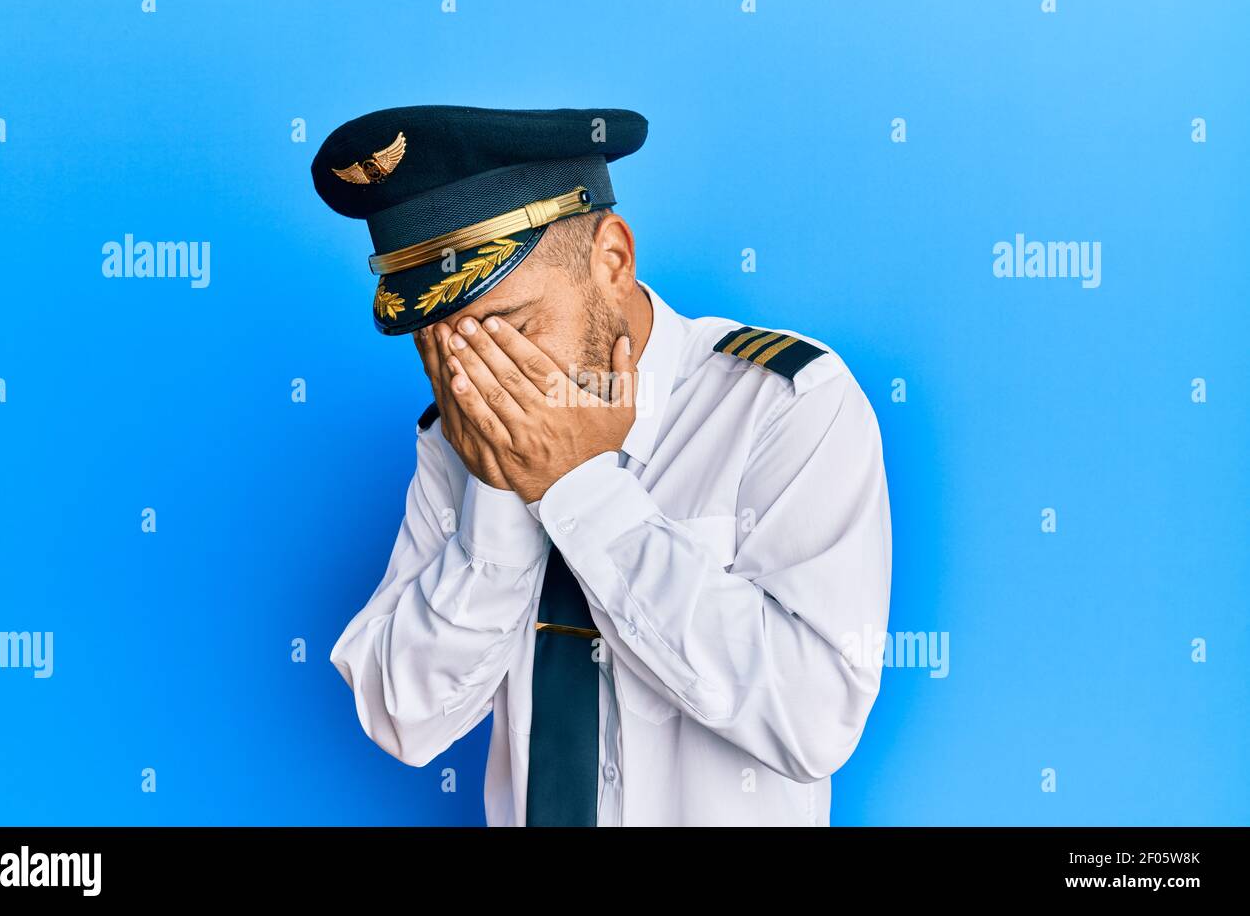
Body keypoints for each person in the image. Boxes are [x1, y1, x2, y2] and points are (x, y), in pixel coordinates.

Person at [312, 106, 892, 825]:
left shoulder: (784, 404)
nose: (479, 383)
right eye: (448, 351)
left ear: (612, 259)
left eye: (511, 332)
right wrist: (498, 490)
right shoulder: (456, 438)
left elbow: (815, 720)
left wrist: (581, 491)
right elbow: (404, 715)